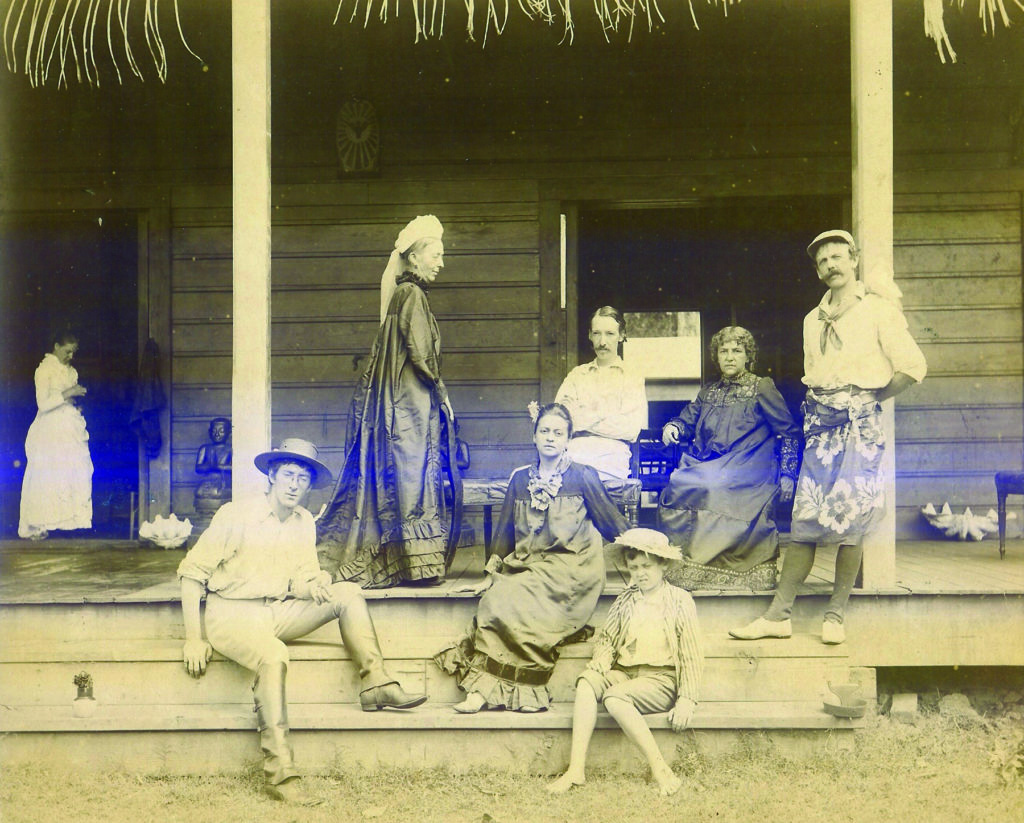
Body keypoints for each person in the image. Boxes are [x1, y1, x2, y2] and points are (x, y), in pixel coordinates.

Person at [178, 438, 427, 806]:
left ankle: (376, 681)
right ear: (272, 477)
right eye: (289, 475)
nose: (295, 485)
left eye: (303, 479)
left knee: (348, 593)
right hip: (230, 613)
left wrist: (318, 585)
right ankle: (280, 774)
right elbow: (191, 575)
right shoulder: (236, 515)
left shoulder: (303, 521)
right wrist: (193, 638)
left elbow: (300, 581)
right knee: (274, 654)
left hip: (277, 611)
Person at [731, 230, 927, 645]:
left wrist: (871, 397)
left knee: (850, 520)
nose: (830, 266)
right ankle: (778, 616)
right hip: (820, 427)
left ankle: (835, 615)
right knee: (805, 520)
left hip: (859, 427)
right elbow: (816, 374)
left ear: (854, 259)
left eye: (837, 257)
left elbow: (911, 366)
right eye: (822, 262)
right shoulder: (812, 319)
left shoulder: (877, 310)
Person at [434, 403, 630, 713]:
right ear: (534, 436)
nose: (551, 438)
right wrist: (490, 574)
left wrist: (645, 552)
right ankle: (482, 691)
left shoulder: (583, 476)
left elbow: (613, 523)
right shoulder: (520, 480)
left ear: (568, 439)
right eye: (544, 431)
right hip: (531, 564)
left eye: (558, 433)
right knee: (496, 598)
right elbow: (504, 533)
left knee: (519, 598)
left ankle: (516, 691)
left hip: (573, 568)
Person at [317, 215, 461, 588]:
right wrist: (442, 394)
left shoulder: (405, 295)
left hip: (402, 401)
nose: (441, 263)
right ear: (414, 257)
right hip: (409, 404)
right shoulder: (411, 295)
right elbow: (421, 354)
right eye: (436, 255)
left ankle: (411, 565)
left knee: (406, 479)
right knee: (412, 478)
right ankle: (415, 567)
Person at [547, 528, 703, 797]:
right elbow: (608, 639)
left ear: (663, 565)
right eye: (634, 567)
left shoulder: (679, 600)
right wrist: (600, 663)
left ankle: (660, 768)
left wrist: (687, 698)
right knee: (587, 682)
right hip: (624, 673)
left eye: (647, 566)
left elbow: (691, 652)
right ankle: (576, 769)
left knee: (614, 698)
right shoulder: (625, 601)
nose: (641, 573)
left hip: (660, 679)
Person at [657, 326, 801, 590]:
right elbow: (687, 418)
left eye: (737, 351)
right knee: (678, 484)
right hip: (708, 464)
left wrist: (788, 474)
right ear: (717, 356)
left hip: (748, 468)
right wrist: (674, 427)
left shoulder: (762, 387)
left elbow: (789, 433)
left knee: (712, 487)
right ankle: (683, 566)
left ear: (748, 356)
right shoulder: (708, 392)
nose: (730, 356)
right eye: (724, 351)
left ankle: (716, 567)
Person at [555, 306, 647, 485]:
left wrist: (581, 419)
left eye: (610, 334)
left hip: (611, 457)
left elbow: (630, 429)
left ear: (621, 336)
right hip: (573, 452)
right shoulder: (577, 375)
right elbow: (559, 420)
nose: (602, 341)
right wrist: (605, 416)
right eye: (597, 333)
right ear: (590, 335)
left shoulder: (631, 376)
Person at [18, 329, 93, 539]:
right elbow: (43, 404)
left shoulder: (72, 372)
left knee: (73, 470)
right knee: (49, 473)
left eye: (73, 352)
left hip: (69, 426)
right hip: (50, 429)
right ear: (56, 347)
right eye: (67, 351)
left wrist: (76, 406)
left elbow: (68, 400)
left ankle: (67, 523)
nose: (71, 356)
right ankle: (41, 522)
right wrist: (70, 393)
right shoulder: (44, 370)